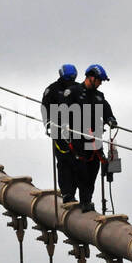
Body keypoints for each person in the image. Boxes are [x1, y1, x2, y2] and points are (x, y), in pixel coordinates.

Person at [57, 63, 117, 213]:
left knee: (93, 169)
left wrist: (111, 119)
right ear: (91, 77)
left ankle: (87, 200)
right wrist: (63, 126)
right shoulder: (73, 92)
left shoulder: (99, 96)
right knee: (79, 169)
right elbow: (62, 110)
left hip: (94, 140)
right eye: (99, 80)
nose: (100, 83)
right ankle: (74, 197)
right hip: (77, 139)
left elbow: (106, 109)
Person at [42, 64, 79, 203]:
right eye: (68, 78)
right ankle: (67, 193)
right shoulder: (52, 90)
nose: (70, 81)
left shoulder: (77, 89)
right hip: (59, 131)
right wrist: (48, 123)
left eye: (72, 78)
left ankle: (75, 193)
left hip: (76, 131)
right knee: (64, 163)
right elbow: (45, 106)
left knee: (77, 163)